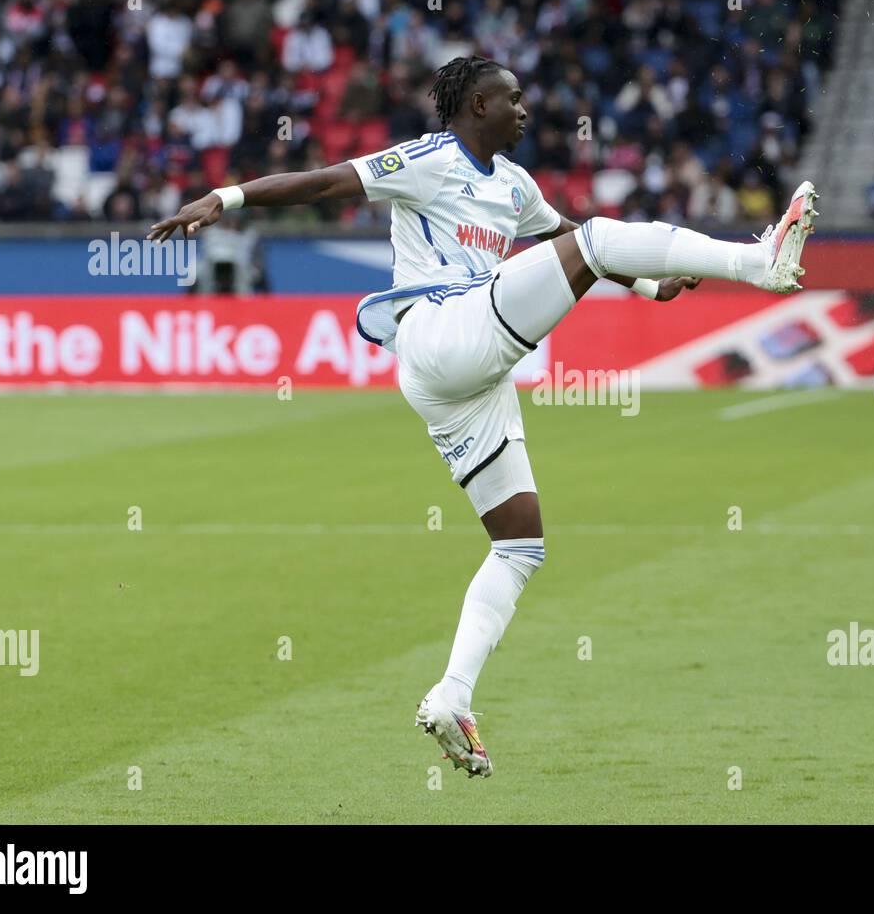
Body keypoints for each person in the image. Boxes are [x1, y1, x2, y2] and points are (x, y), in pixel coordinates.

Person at [149, 56, 820, 776]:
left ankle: (452, 696)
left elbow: (573, 245)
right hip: (442, 328)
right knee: (594, 239)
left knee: (520, 546)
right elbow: (326, 181)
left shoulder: (517, 185)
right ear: (476, 105)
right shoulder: (428, 160)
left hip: (463, 379)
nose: (526, 111)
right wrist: (225, 197)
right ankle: (761, 263)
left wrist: (652, 286)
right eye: (513, 99)